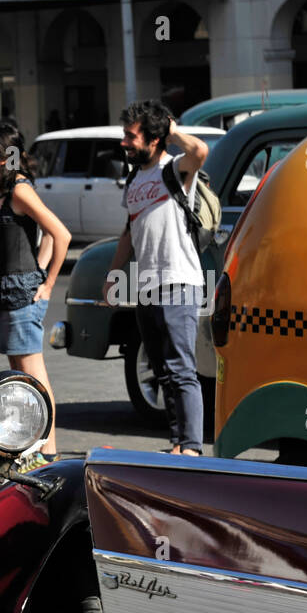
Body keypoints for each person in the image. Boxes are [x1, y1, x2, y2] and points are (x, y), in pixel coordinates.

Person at [101, 100, 209, 456]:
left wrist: (172, 128)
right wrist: (114, 277)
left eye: (131, 136)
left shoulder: (175, 169)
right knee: (162, 369)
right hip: (146, 286)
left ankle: (192, 447)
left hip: (179, 281)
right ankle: (177, 442)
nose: (124, 143)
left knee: (181, 369)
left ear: (153, 138)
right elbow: (128, 234)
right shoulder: (134, 180)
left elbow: (200, 150)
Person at [0, 122, 71, 470]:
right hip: (13, 290)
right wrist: (40, 271)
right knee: (21, 375)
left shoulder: (19, 190)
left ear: (2, 157)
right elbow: (46, 234)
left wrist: (45, 284)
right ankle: (35, 450)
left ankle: (47, 452)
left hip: (21, 292)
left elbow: (60, 233)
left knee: (33, 376)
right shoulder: (10, 190)